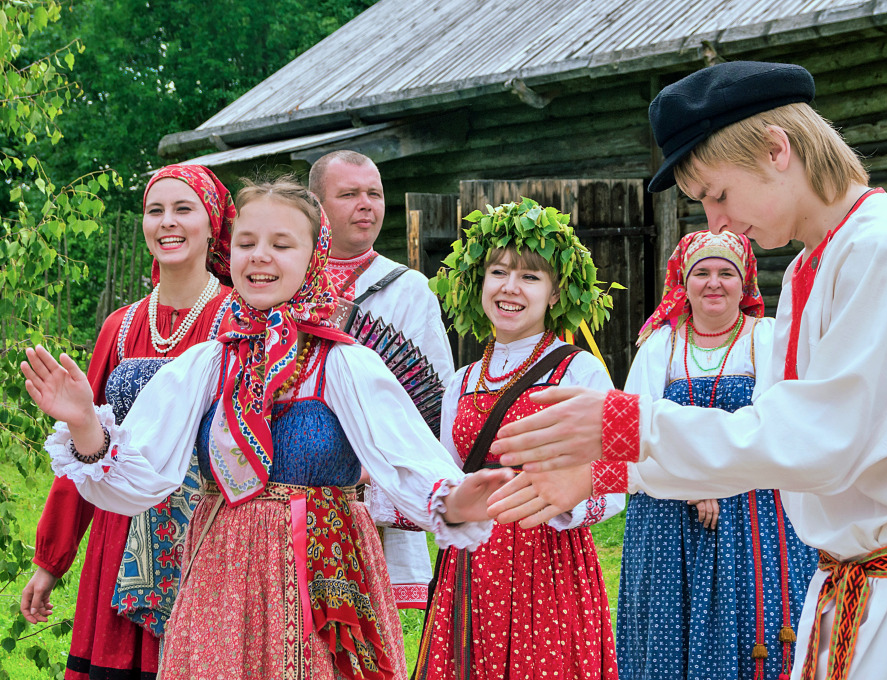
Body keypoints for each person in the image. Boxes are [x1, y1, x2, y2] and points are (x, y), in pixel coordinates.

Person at [487, 61, 887, 680]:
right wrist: (604, 472)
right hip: (854, 590)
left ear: (777, 150)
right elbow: (769, 437)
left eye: (718, 195)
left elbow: (819, 441)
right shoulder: (813, 265)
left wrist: (628, 427)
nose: (716, 223)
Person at [21, 176, 513, 680]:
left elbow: (407, 459)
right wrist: (84, 422)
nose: (260, 256)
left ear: (315, 257)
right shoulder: (208, 364)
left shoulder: (344, 363)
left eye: (281, 244)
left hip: (321, 575)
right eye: (247, 243)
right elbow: (141, 474)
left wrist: (455, 501)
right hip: (221, 574)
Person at [19, 164, 235, 680]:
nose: (167, 222)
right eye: (155, 210)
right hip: (119, 538)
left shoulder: (238, 321)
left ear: (212, 224)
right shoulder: (121, 327)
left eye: (183, 209)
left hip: (204, 536)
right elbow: (83, 444)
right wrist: (51, 560)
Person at [413, 199, 624, 679]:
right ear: (479, 282)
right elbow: (446, 474)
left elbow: (614, 478)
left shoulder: (580, 371)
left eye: (530, 276)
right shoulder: (462, 381)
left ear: (555, 292)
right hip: (470, 561)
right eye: (498, 272)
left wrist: (556, 500)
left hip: (547, 560)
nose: (510, 287)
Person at [618, 229, 816, 680]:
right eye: (701, 272)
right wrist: (692, 483)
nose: (713, 282)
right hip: (668, 520)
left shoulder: (766, 339)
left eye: (726, 273)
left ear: (744, 283)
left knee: (755, 631)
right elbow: (632, 435)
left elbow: (779, 426)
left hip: (752, 515)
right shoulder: (660, 346)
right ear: (683, 283)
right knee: (668, 635)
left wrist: (712, 477)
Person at [310, 149, 455, 610]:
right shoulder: (289, 279)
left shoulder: (408, 287)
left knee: (372, 627)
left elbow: (432, 395)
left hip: (376, 479)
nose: (366, 204)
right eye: (349, 194)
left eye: (374, 193)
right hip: (296, 484)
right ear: (316, 206)